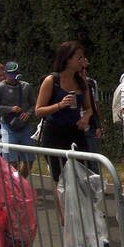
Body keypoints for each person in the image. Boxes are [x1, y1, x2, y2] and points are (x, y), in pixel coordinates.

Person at [36, 41, 97, 181]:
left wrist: (86, 118)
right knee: (61, 179)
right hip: (54, 133)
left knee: (82, 177)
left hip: (76, 132)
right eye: (79, 57)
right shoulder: (51, 80)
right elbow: (38, 111)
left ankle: (80, 203)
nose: (82, 61)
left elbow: (89, 108)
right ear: (67, 59)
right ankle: (62, 203)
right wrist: (60, 105)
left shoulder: (82, 81)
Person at [0, 61, 36, 179]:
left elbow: (34, 105)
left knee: (29, 160)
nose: (13, 80)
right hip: (8, 127)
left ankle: (20, 184)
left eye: (15, 77)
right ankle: (13, 188)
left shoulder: (26, 86)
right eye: (11, 77)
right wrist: (9, 109)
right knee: (11, 162)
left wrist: (28, 113)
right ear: (5, 74)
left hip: (25, 126)